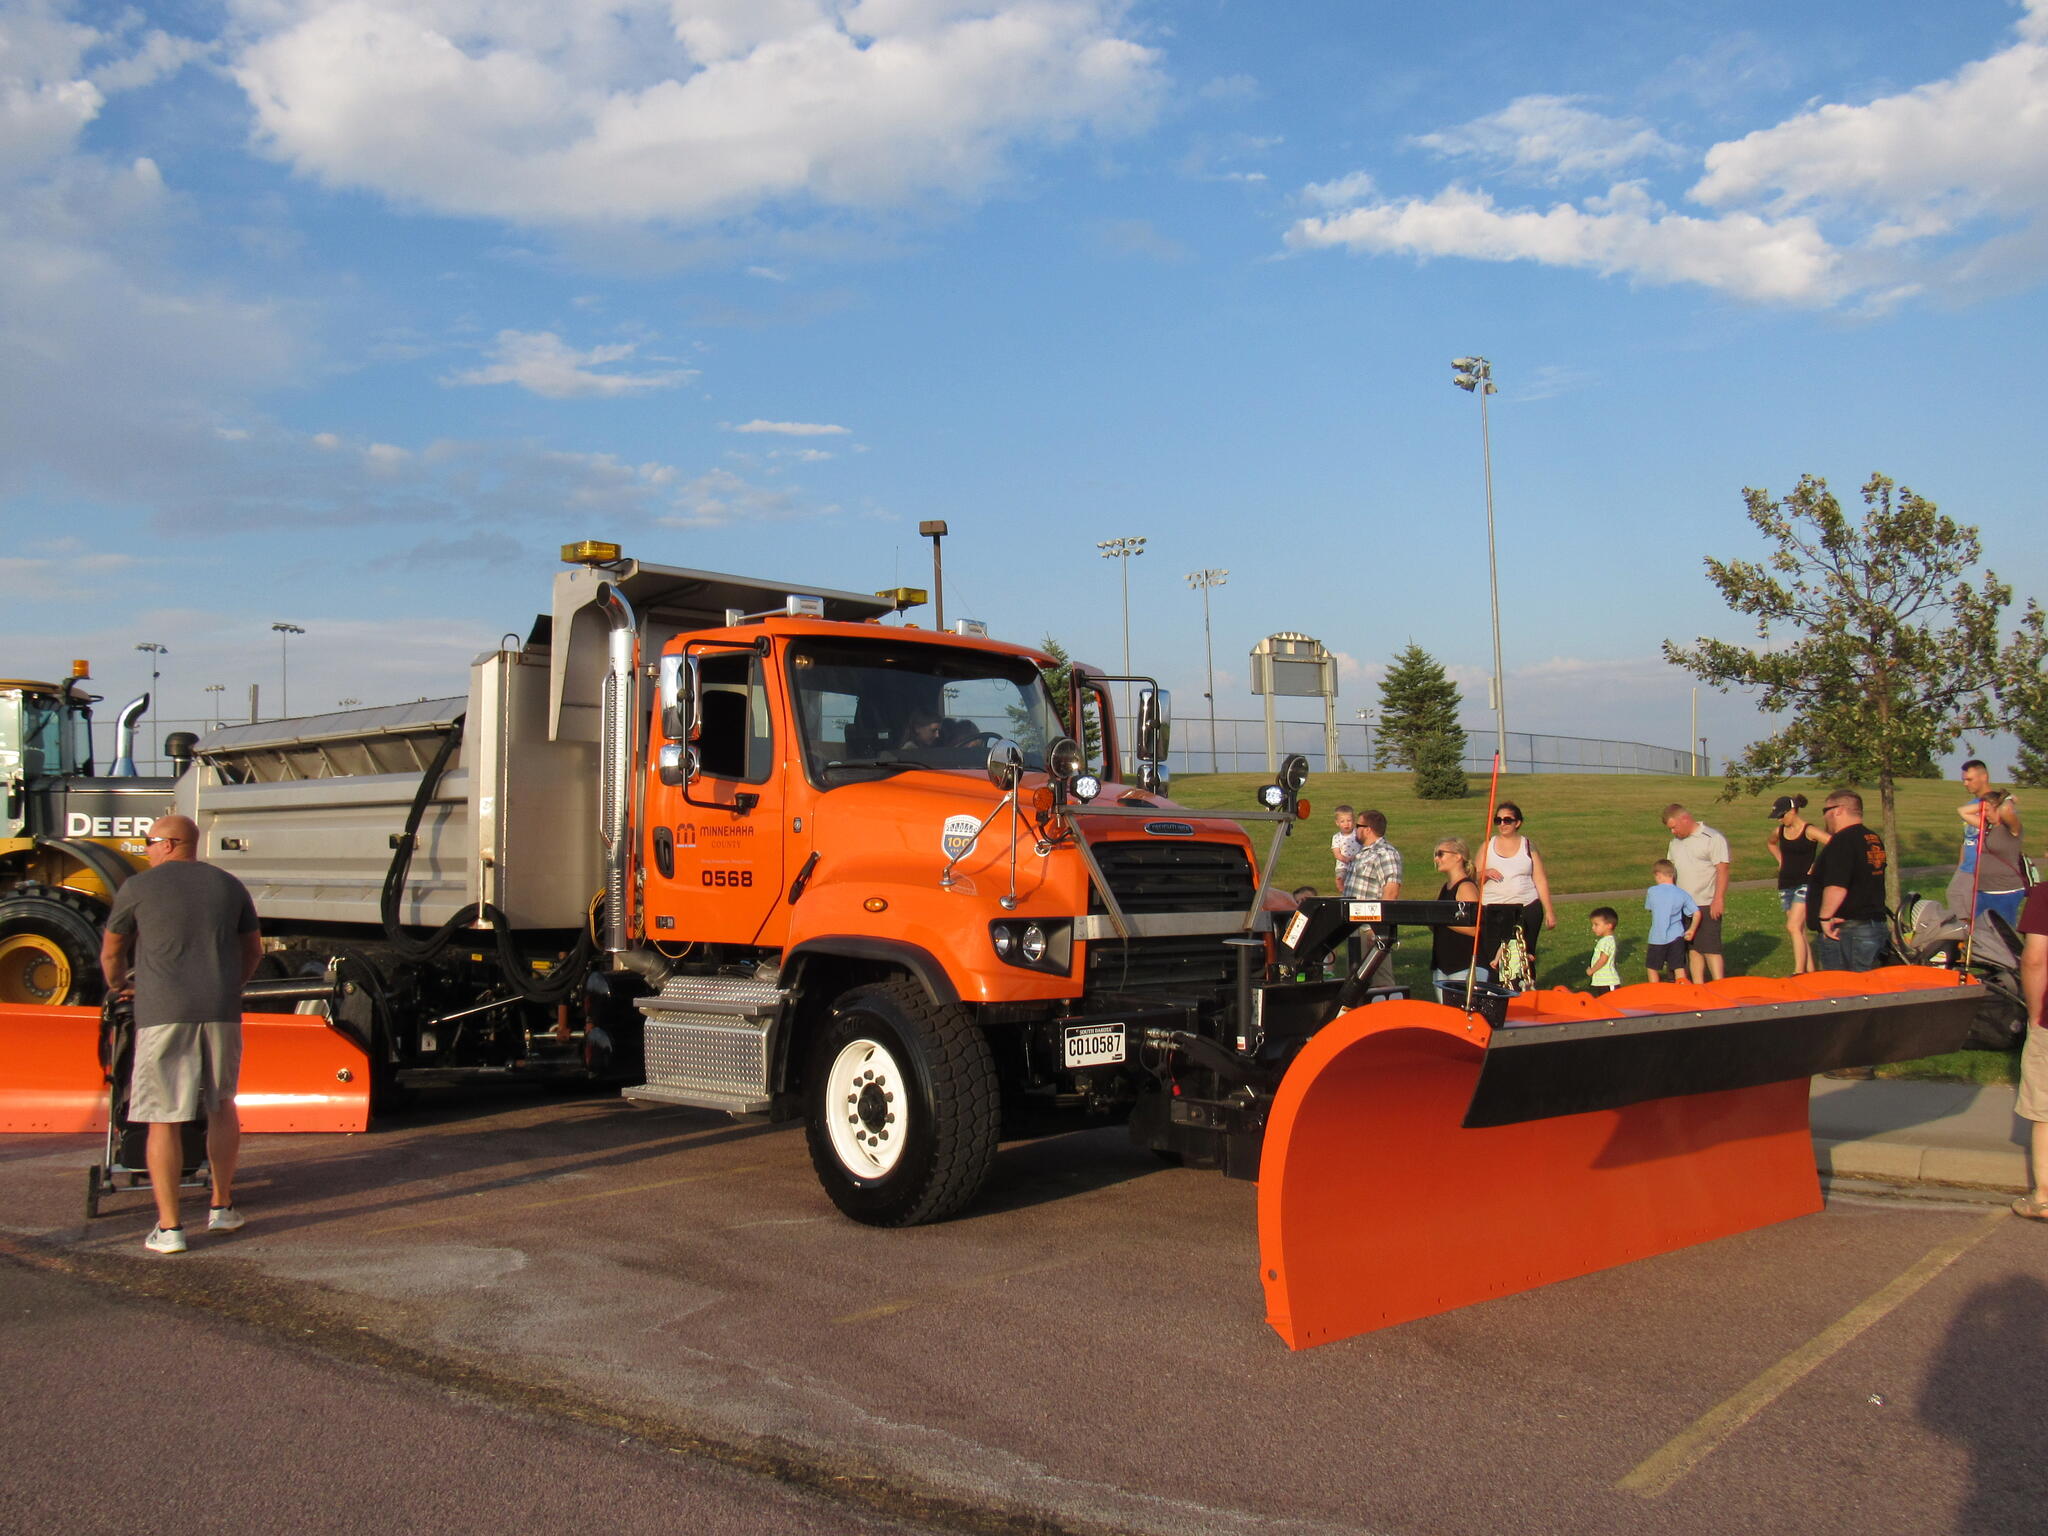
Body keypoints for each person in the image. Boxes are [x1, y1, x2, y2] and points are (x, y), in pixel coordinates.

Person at [98, 814, 262, 1254]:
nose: (146, 849)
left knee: (164, 1118)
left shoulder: (138, 888)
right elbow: (254, 949)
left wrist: (118, 985)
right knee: (222, 1105)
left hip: (162, 1014)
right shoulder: (229, 886)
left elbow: (113, 949)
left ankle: (170, 1228)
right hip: (221, 1010)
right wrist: (232, 985)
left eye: (149, 841)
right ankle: (222, 1207)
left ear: (169, 844)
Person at [1807, 789, 1889, 972]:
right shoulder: (1872, 838)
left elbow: (1837, 886)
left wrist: (1825, 917)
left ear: (1838, 810)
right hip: (1872, 925)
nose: (1825, 817)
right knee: (1870, 987)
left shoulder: (1842, 841)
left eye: (1825, 811)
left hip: (1846, 930)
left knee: (1843, 990)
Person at [1478, 801, 1555, 971]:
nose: (1502, 824)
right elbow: (1474, 877)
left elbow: (1540, 879)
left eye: (1507, 820)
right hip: (1493, 909)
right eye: (1498, 821)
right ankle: (1498, 994)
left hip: (1526, 907)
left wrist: (1549, 911)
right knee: (1494, 961)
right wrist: (1484, 873)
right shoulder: (1487, 845)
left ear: (1517, 823)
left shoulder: (1528, 846)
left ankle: (1525, 992)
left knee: (1523, 958)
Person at [1954, 760, 2027, 928]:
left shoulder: (2012, 830)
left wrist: (2006, 799)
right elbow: (1962, 811)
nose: (1984, 814)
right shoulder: (1986, 827)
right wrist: (1985, 805)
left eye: (1987, 810)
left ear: (1998, 808)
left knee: (2003, 934)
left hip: (2005, 891)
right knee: (1980, 933)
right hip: (1983, 890)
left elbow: (2006, 811)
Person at [1662, 804, 1731, 982]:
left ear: (1685, 819)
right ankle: (1698, 987)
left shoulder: (1712, 838)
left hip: (1706, 902)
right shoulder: (1675, 844)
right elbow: (1671, 873)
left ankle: (1719, 984)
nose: (1673, 832)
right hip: (1683, 905)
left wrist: (1718, 899)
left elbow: (1722, 870)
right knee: (1693, 948)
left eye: (1674, 827)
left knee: (1710, 948)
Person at [2014, 881, 2047, 1222]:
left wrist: (2035, 1014)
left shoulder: (2045, 893)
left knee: (2045, 1109)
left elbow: (2035, 960)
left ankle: (2045, 1196)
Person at [1767, 794, 1828, 974]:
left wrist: (1818, 864)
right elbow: (1771, 844)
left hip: (1805, 883)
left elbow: (1833, 843)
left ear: (1793, 811)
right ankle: (1810, 970)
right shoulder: (1780, 831)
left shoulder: (1809, 830)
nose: (1779, 819)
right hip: (1786, 883)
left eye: (1782, 815)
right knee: (1797, 930)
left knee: (1792, 926)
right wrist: (1780, 860)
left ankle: (1799, 971)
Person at [1428, 838, 1486, 1004]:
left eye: (1440, 854)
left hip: (1464, 965)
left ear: (1458, 856)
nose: (1436, 858)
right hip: (1443, 964)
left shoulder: (1466, 887)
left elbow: (1476, 928)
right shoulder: (1445, 888)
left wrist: (1442, 920)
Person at [1643, 860, 1699, 983]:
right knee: (1678, 966)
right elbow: (1696, 912)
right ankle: (1682, 989)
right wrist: (1691, 929)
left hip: (1656, 937)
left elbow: (1650, 909)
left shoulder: (1652, 891)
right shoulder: (1682, 893)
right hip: (1676, 935)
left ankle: (1655, 990)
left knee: (1652, 967)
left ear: (1658, 875)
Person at [1340, 809, 1403, 901]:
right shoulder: (1362, 853)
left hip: (1369, 914)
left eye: (1357, 826)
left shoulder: (1384, 853)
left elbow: (1391, 892)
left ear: (1368, 830)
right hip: (1351, 913)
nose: (1354, 830)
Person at [1586, 907, 1621, 995]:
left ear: (1609, 925)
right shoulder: (1605, 940)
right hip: (1602, 981)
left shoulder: (1607, 941)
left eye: (1596, 925)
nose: (1593, 928)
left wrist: (1592, 970)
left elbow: (1603, 959)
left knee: (1613, 1003)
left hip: (1608, 981)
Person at [1329, 805, 1356, 889]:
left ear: (1354, 821)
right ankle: (1343, 893)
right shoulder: (1336, 837)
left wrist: (1356, 857)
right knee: (1340, 879)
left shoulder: (1357, 834)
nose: (1346, 824)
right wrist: (1345, 859)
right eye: (1342, 821)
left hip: (1357, 864)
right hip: (1342, 865)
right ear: (1337, 823)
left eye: (1349, 821)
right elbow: (1336, 853)